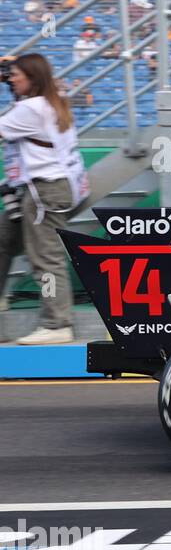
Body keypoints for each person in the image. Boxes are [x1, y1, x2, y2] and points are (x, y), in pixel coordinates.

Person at [0, 54, 89, 344]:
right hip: (55, 185)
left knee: (45, 260)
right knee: (4, 238)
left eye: (15, 74)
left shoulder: (30, 108)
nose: (11, 78)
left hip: (44, 191)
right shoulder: (54, 97)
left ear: (32, 79)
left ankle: (57, 323)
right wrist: (14, 70)